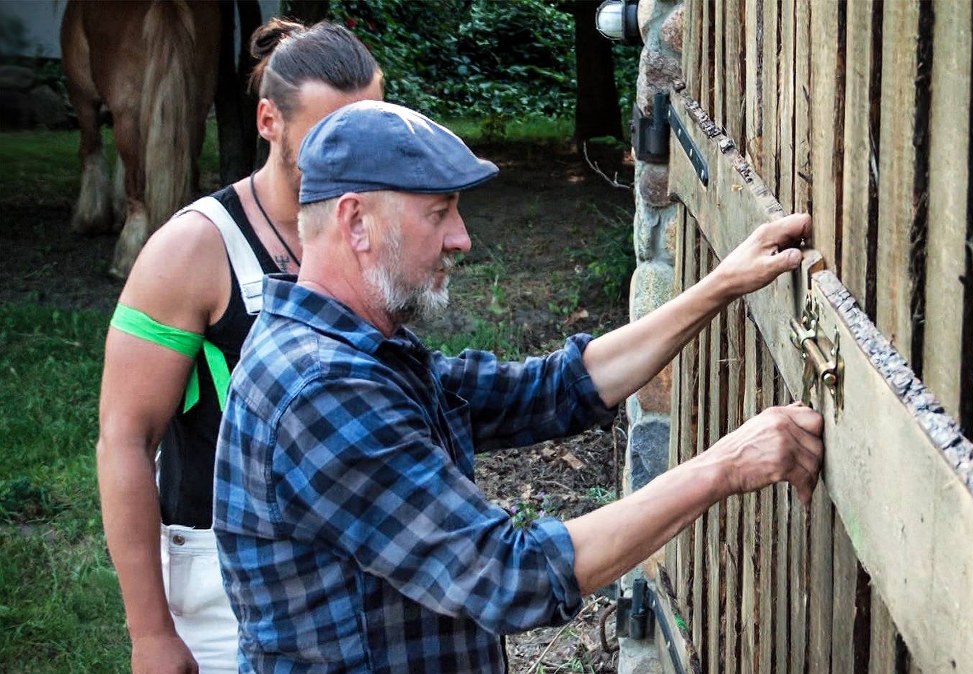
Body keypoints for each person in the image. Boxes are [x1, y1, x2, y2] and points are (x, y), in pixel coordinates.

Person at [213, 100, 825, 673]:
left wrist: (719, 285)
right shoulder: (322, 391)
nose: (462, 237)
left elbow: (547, 390)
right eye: (439, 212)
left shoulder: (356, 350)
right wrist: (727, 464)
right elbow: (508, 576)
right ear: (356, 222)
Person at [95, 20, 383, 674]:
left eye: (368, 132)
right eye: (327, 137)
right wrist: (151, 634)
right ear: (267, 122)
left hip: (351, 564)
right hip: (225, 585)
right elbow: (123, 438)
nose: (351, 158)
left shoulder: (364, 228)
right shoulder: (193, 249)